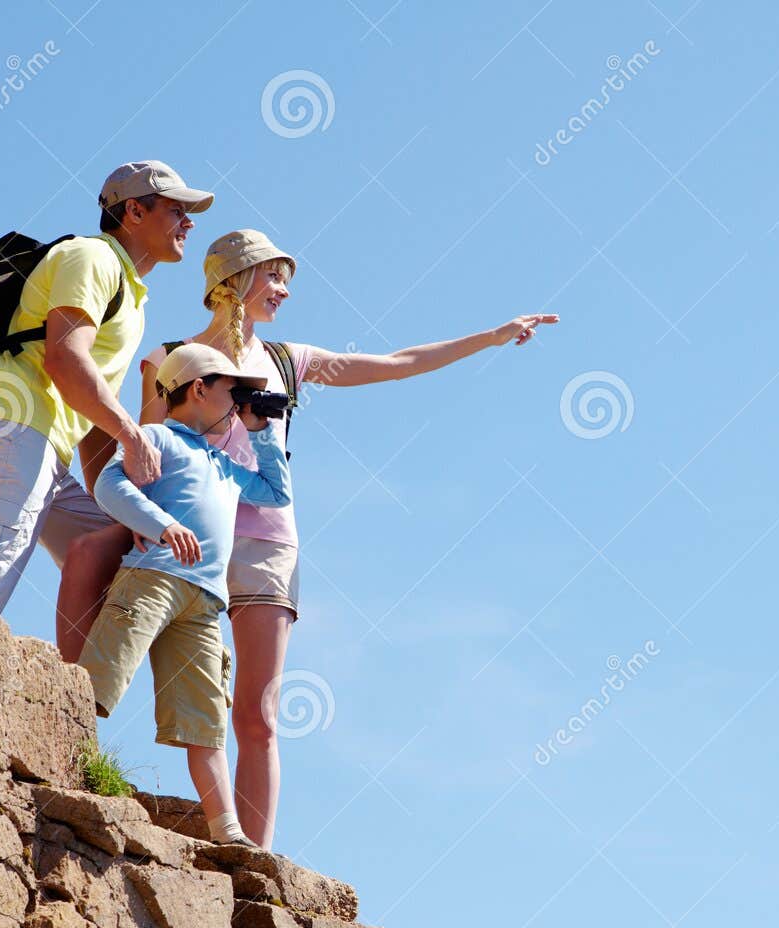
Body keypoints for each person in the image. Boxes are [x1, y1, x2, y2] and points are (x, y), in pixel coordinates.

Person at [60, 227, 558, 849]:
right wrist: (142, 524)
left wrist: (491, 335)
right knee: (102, 586)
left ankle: (252, 861)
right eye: (274, 277)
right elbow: (143, 454)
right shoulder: (172, 361)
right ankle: (66, 737)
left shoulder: (288, 361)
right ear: (233, 281)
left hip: (266, 544)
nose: (285, 292)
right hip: (185, 539)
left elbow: (395, 364)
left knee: (258, 715)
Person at [0, 160, 214, 635]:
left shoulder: (131, 292)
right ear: (134, 211)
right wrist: (132, 434)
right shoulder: (93, 258)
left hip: (46, 445)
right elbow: (66, 361)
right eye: (176, 210)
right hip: (16, 422)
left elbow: (92, 413)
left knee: (126, 554)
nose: (189, 222)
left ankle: (78, 692)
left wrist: (123, 506)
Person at [78, 343, 292, 847]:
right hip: (152, 577)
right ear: (199, 388)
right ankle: (63, 756)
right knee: (103, 676)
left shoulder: (222, 463)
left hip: (204, 602)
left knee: (205, 718)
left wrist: (260, 432)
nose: (239, 403)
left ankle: (228, 831)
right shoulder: (157, 439)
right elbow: (110, 487)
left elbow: (276, 494)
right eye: (231, 392)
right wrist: (162, 523)